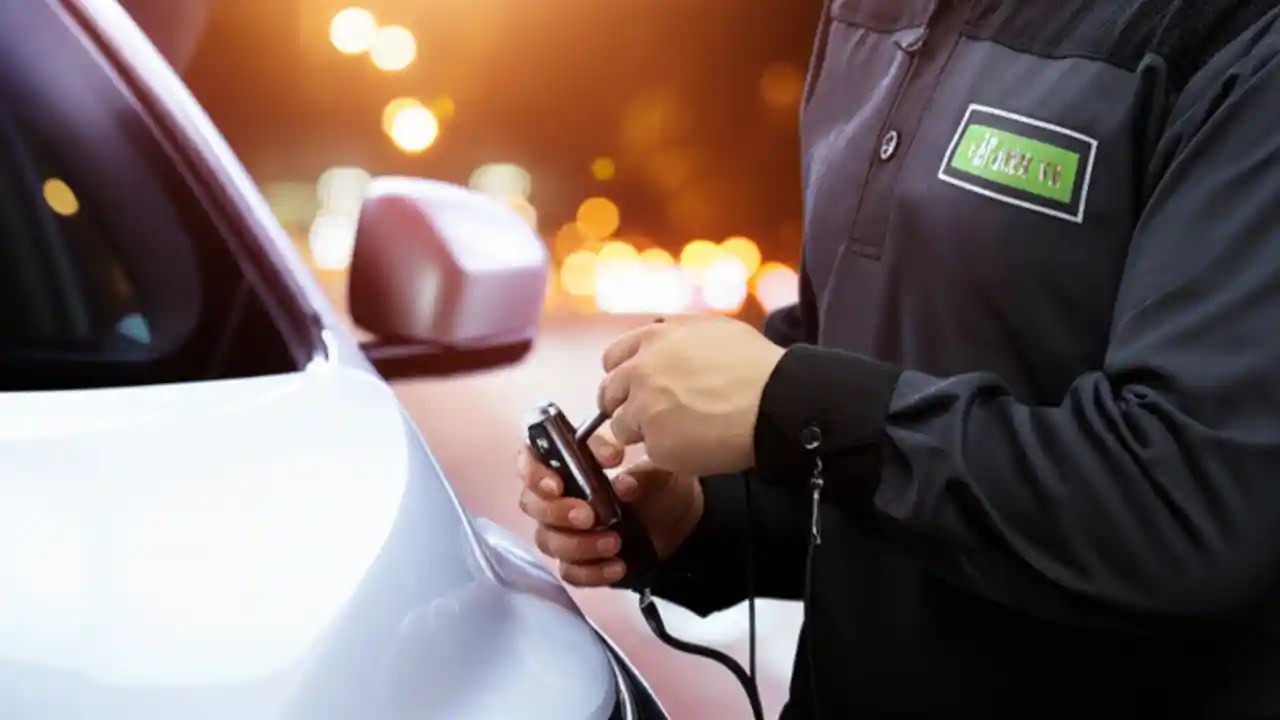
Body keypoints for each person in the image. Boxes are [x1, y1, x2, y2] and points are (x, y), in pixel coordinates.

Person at [518, 1, 1280, 716]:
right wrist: (701, 513)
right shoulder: (866, 13)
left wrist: (794, 408)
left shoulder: (1239, 36)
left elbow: (1190, 504)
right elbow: (864, 399)